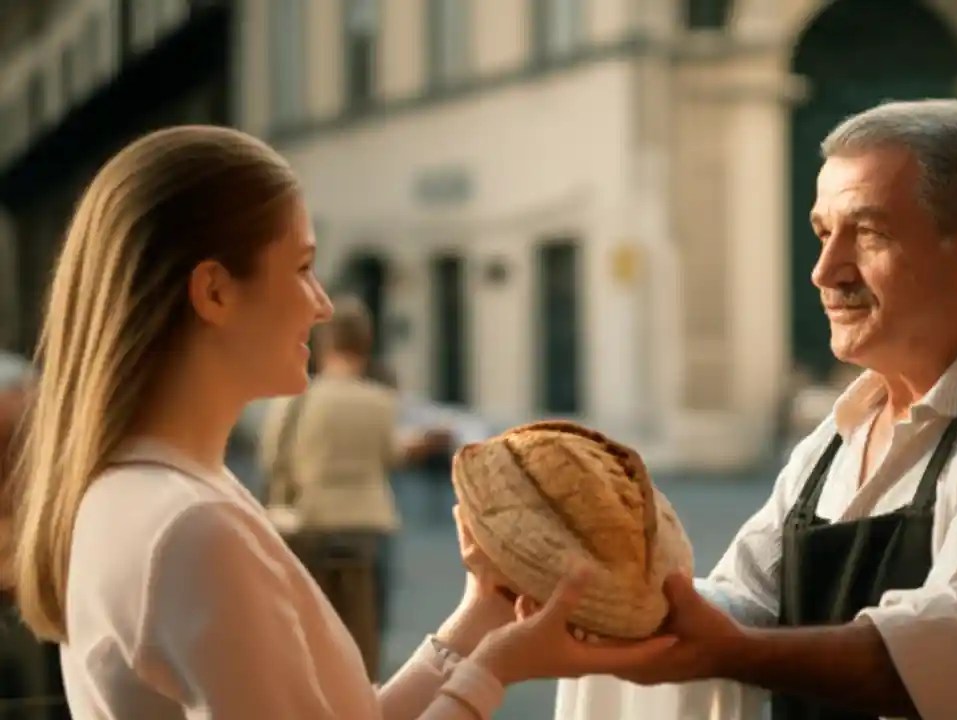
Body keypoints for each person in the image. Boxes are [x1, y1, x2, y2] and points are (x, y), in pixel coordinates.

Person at [8, 125, 672, 719]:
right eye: (301, 268)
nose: (322, 306)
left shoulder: (154, 491)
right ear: (213, 291)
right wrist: (499, 671)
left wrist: (486, 612)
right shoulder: (192, 528)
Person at [564, 99, 957, 719]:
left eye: (868, 233)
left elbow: (941, 661)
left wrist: (727, 652)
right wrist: (602, 594)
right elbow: (742, 600)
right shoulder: (835, 439)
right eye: (824, 233)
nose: (825, 271)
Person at [257, 294, 445, 678]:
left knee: (309, 639)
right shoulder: (379, 401)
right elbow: (390, 455)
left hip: (309, 525)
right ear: (366, 344)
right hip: (366, 528)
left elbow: (271, 459)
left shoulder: (293, 401)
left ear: (323, 343)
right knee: (363, 639)